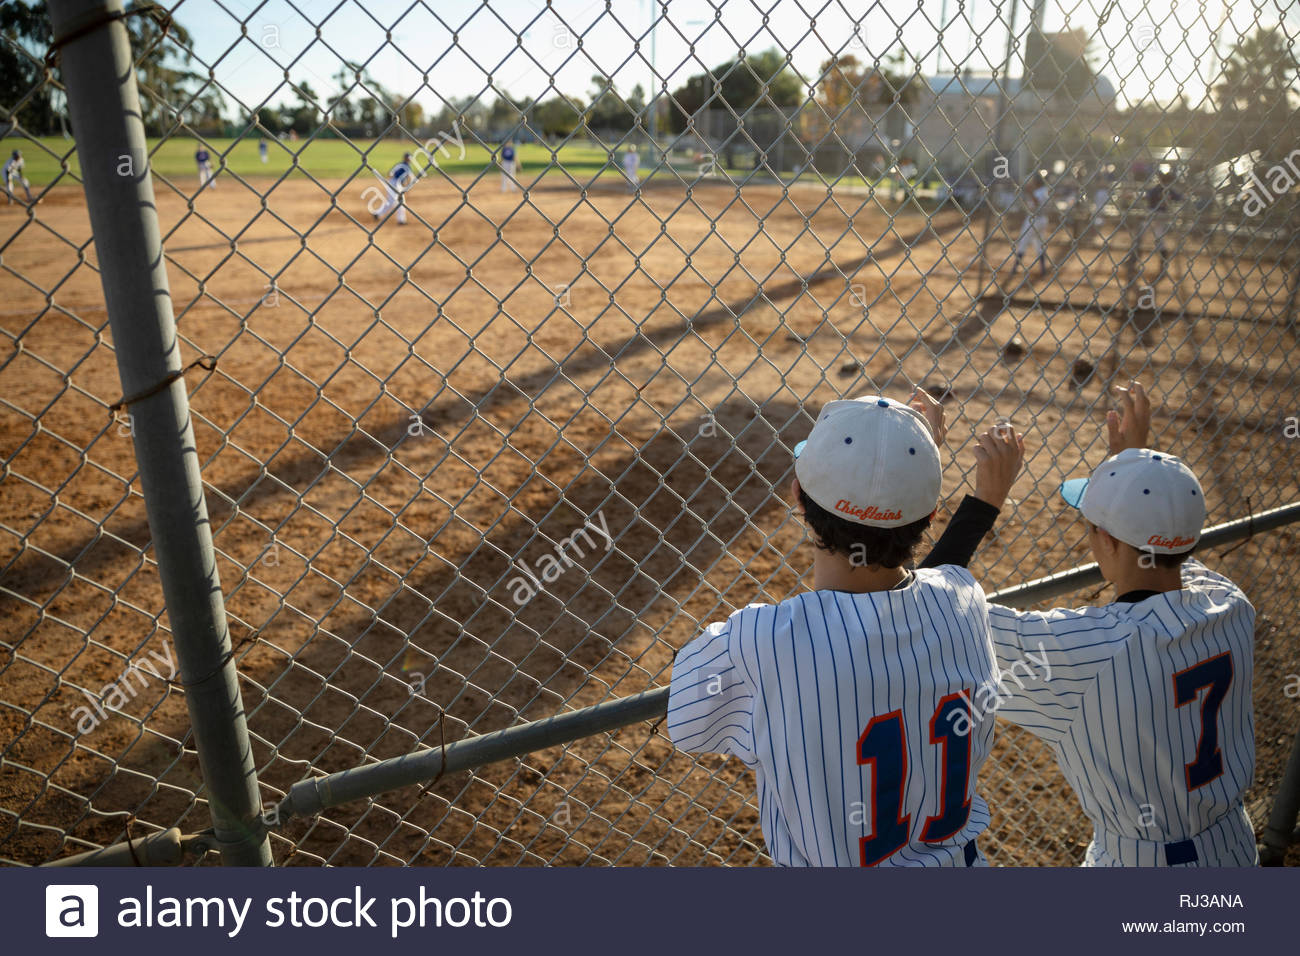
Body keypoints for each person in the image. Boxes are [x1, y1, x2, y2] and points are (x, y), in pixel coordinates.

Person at [668, 390, 1027, 866]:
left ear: (797, 496)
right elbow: (925, 586)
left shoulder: (760, 640)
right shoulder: (964, 599)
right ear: (931, 515)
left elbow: (687, 728)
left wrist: (890, 476)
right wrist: (905, 473)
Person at [986, 381, 1258, 866]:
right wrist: (1132, 469)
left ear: (1107, 542)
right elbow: (1168, 547)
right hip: (1234, 848)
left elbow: (941, 615)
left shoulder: (1089, 654)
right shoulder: (1231, 605)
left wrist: (985, 501)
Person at [1141, 169, 1182, 276]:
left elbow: (1147, 196)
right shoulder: (1170, 190)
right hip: (1162, 215)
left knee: (1140, 236)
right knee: (1159, 240)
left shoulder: (1156, 188)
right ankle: (1163, 266)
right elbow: (1179, 198)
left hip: (1152, 214)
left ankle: (1132, 261)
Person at [1010, 173, 1050, 278]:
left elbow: (1036, 203)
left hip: (1034, 220)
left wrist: (1030, 191)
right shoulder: (1044, 190)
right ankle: (1043, 269)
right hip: (1042, 219)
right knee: (1039, 243)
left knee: (1023, 241)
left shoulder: (1040, 191)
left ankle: (1015, 268)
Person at [374, 152, 414, 225]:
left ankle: (379, 214)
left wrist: (405, 186)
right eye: (408, 158)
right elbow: (391, 173)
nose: (409, 160)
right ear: (405, 158)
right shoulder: (403, 166)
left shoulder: (404, 166)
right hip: (395, 184)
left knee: (396, 202)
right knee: (395, 202)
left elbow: (392, 173)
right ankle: (400, 220)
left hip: (395, 184)